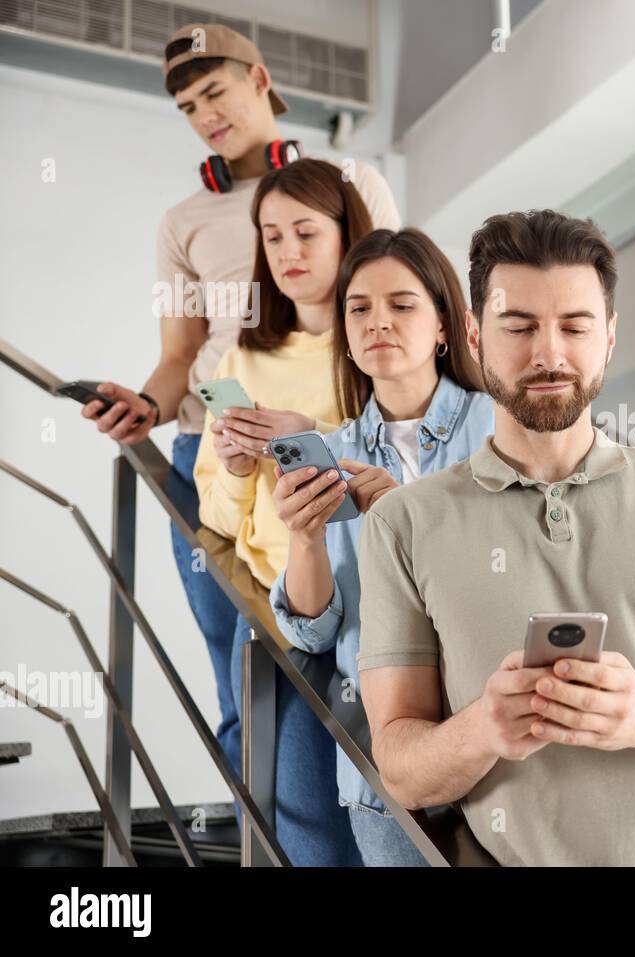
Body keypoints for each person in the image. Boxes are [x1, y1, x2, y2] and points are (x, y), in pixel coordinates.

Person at [356, 209, 635, 866]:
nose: (549, 353)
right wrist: (485, 728)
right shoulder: (404, 523)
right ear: (475, 335)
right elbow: (400, 764)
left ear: (610, 336)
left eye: (575, 326)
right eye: (520, 325)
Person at [79, 22, 400, 781]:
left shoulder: (353, 182)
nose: (204, 115)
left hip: (324, 441)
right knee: (241, 674)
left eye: (214, 92)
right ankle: (257, 833)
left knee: (345, 664)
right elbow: (179, 357)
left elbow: (396, 306)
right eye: (188, 106)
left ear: (260, 80)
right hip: (212, 454)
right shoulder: (182, 223)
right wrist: (146, 408)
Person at [268, 228, 493, 866]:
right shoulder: (332, 451)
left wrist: (407, 517)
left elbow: (529, 569)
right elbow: (315, 636)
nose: (377, 323)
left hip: (500, 736)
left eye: (402, 304)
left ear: (446, 324)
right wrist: (305, 539)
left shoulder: (499, 427)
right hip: (383, 757)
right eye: (359, 308)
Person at [194, 158, 379, 866]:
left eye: (306, 232)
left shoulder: (378, 337)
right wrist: (241, 470)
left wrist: (316, 435)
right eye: (272, 237)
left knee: (386, 805)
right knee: (302, 816)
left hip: (371, 603)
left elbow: (415, 465)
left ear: (345, 232)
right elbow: (215, 510)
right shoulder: (245, 352)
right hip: (280, 612)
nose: (289, 253)